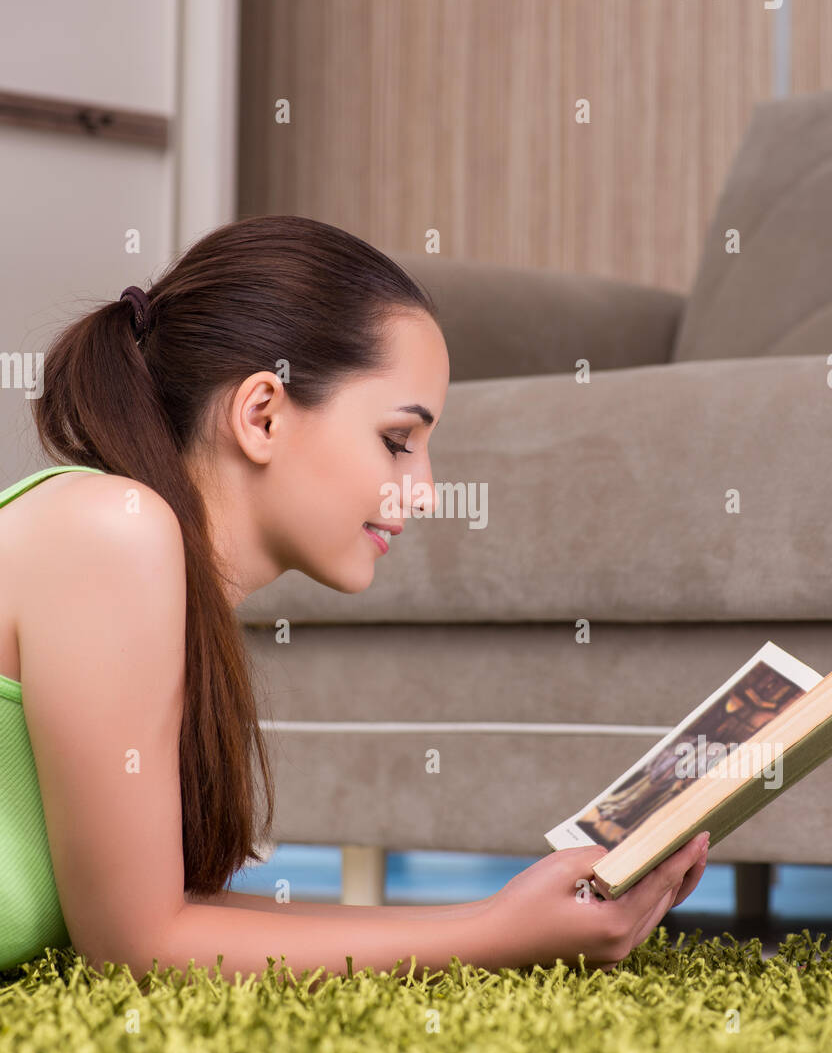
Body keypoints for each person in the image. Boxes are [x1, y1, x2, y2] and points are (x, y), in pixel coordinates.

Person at [0, 214, 708, 988]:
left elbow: (172, 914)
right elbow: (137, 948)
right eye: (398, 441)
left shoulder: (131, 545)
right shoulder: (113, 530)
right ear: (261, 414)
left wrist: (498, 917)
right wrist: (496, 938)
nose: (428, 493)